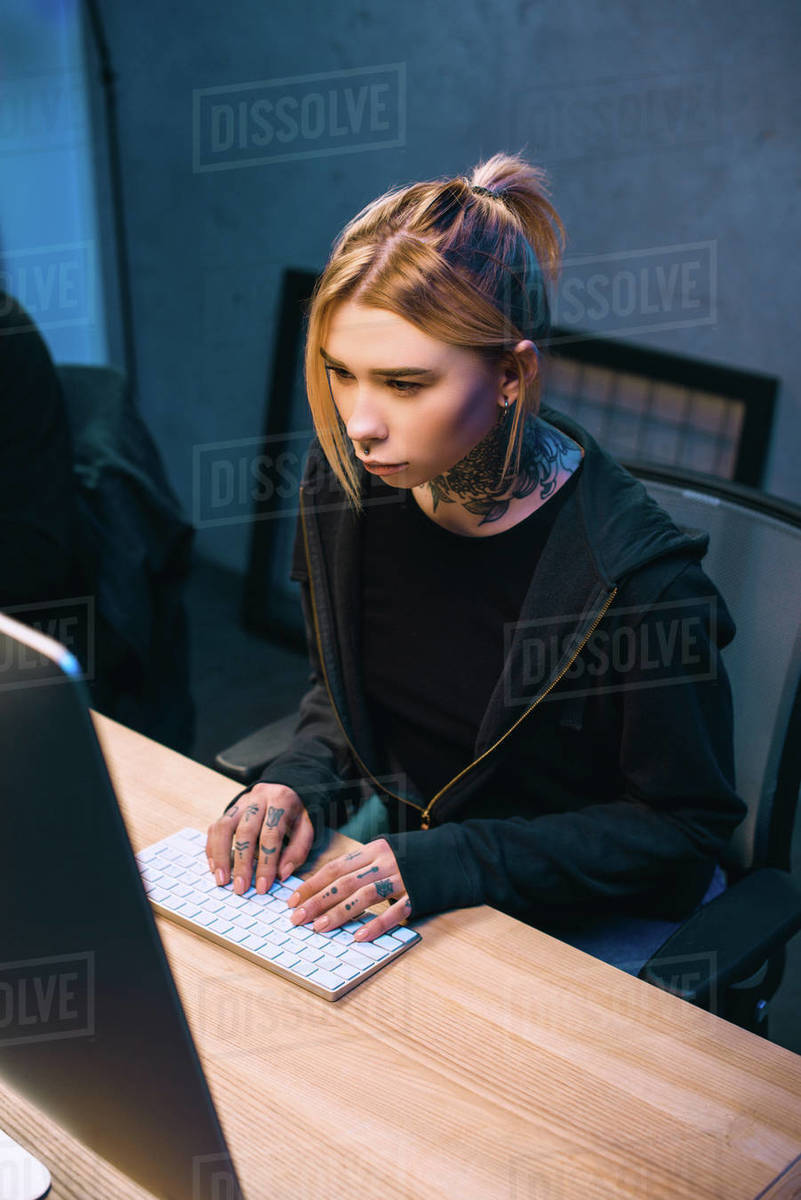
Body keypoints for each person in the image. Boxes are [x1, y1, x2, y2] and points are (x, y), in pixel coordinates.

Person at [205, 152, 746, 972]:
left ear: (509, 374)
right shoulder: (346, 492)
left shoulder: (639, 580)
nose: (359, 422)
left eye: (403, 383)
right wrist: (298, 782)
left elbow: (681, 829)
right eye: (340, 375)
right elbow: (342, 694)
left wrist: (456, 862)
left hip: (582, 915)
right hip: (418, 864)